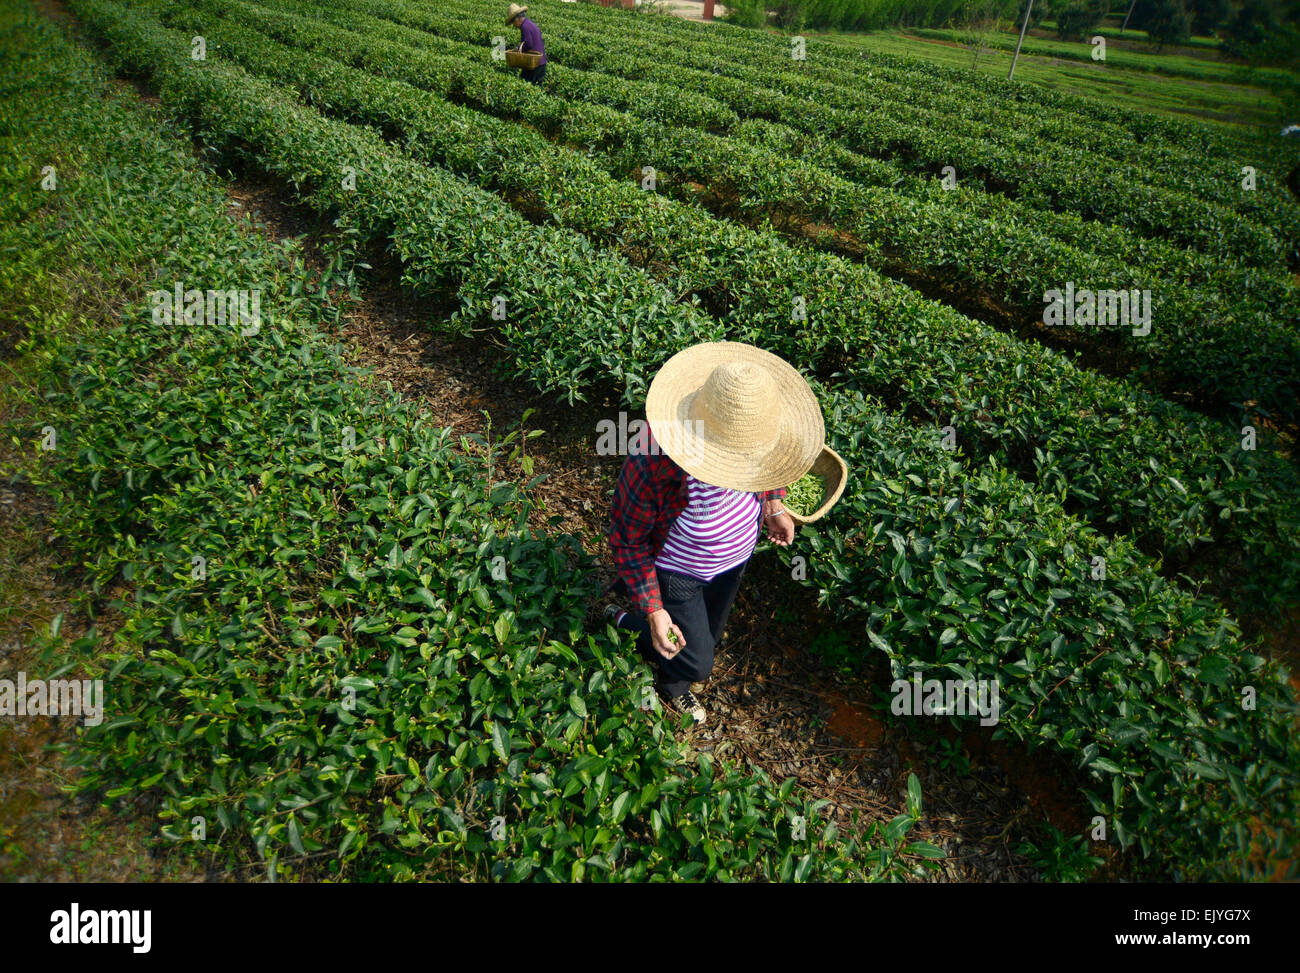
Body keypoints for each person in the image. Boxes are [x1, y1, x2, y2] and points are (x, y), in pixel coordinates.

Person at [605, 342, 825, 725]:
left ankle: (666, 650)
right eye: (733, 456)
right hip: (680, 572)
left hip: (735, 559)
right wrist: (655, 611)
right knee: (699, 661)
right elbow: (628, 541)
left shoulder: (761, 436)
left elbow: (770, 470)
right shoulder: (653, 460)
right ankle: (650, 648)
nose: (743, 465)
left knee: (711, 630)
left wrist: (773, 505)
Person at [506, 4, 547, 86]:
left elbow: (528, 44)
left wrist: (518, 51)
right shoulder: (529, 23)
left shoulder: (525, 26)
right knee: (537, 87)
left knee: (525, 85)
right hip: (541, 62)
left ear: (517, 19)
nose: (514, 25)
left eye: (513, 22)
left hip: (534, 64)